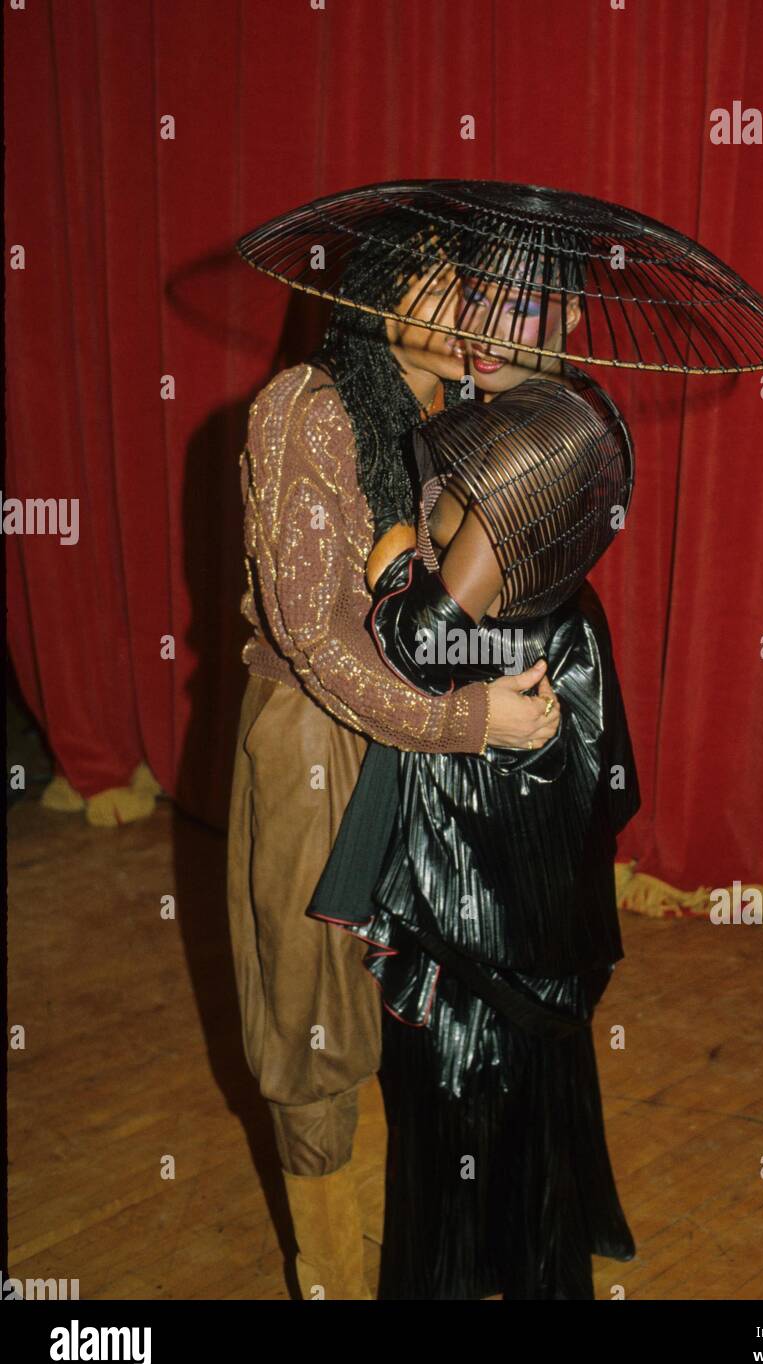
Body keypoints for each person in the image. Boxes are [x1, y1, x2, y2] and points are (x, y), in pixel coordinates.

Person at [227, 217, 560, 1301]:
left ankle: (425, 1259)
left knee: (429, 1017)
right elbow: (316, 640)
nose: (464, 309)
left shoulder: (450, 418)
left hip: (422, 742)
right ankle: (325, 1277)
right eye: (438, 284)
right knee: (311, 1017)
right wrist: (469, 722)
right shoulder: (303, 408)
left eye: (470, 289)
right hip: (318, 745)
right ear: (371, 297)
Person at [308, 368, 640, 1300]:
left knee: (454, 1127)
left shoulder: (498, 614)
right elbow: (607, 795)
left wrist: (396, 562)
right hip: (535, 946)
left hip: (476, 947)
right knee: (516, 1131)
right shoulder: (573, 609)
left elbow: (418, 639)